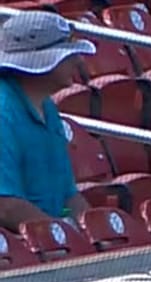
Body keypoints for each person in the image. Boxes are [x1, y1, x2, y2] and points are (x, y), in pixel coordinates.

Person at [0, 10, 92, 231]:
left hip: (49, 245)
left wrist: (94, 232)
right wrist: (64, 237)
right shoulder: (3, 113)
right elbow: (5, 206)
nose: (78, 61)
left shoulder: (48, 109)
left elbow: (69, 198)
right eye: (67, 54)